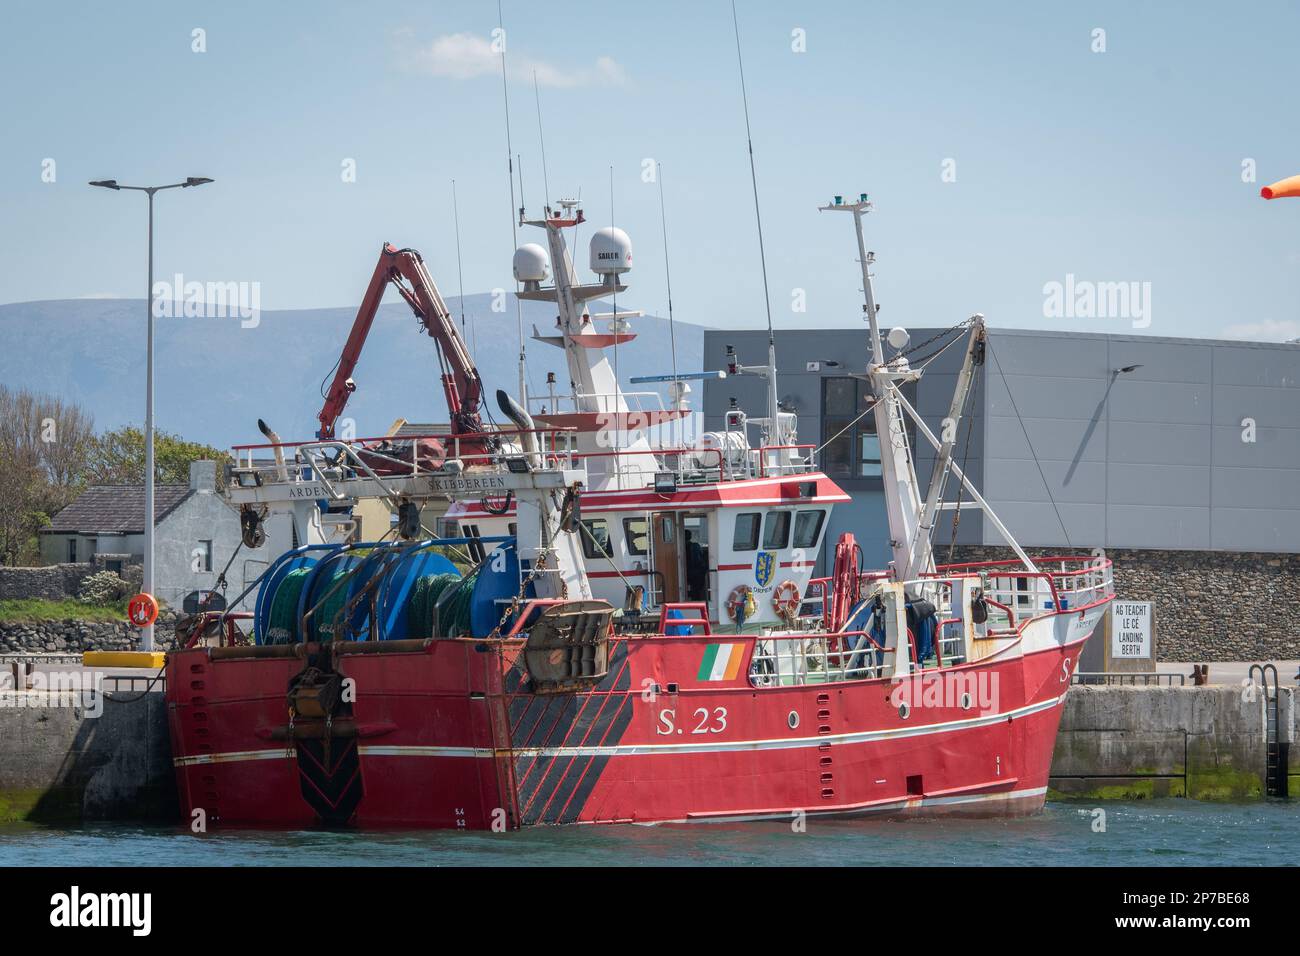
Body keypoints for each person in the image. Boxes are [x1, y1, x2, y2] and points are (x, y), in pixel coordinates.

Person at [684, 530, 708, 602]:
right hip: (696, 572)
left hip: (688, 572)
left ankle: (694, 597)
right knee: (698, 586)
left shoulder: (682, 546)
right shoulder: (695, 546)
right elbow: (699, 560)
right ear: (690, 537)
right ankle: (697, 598)